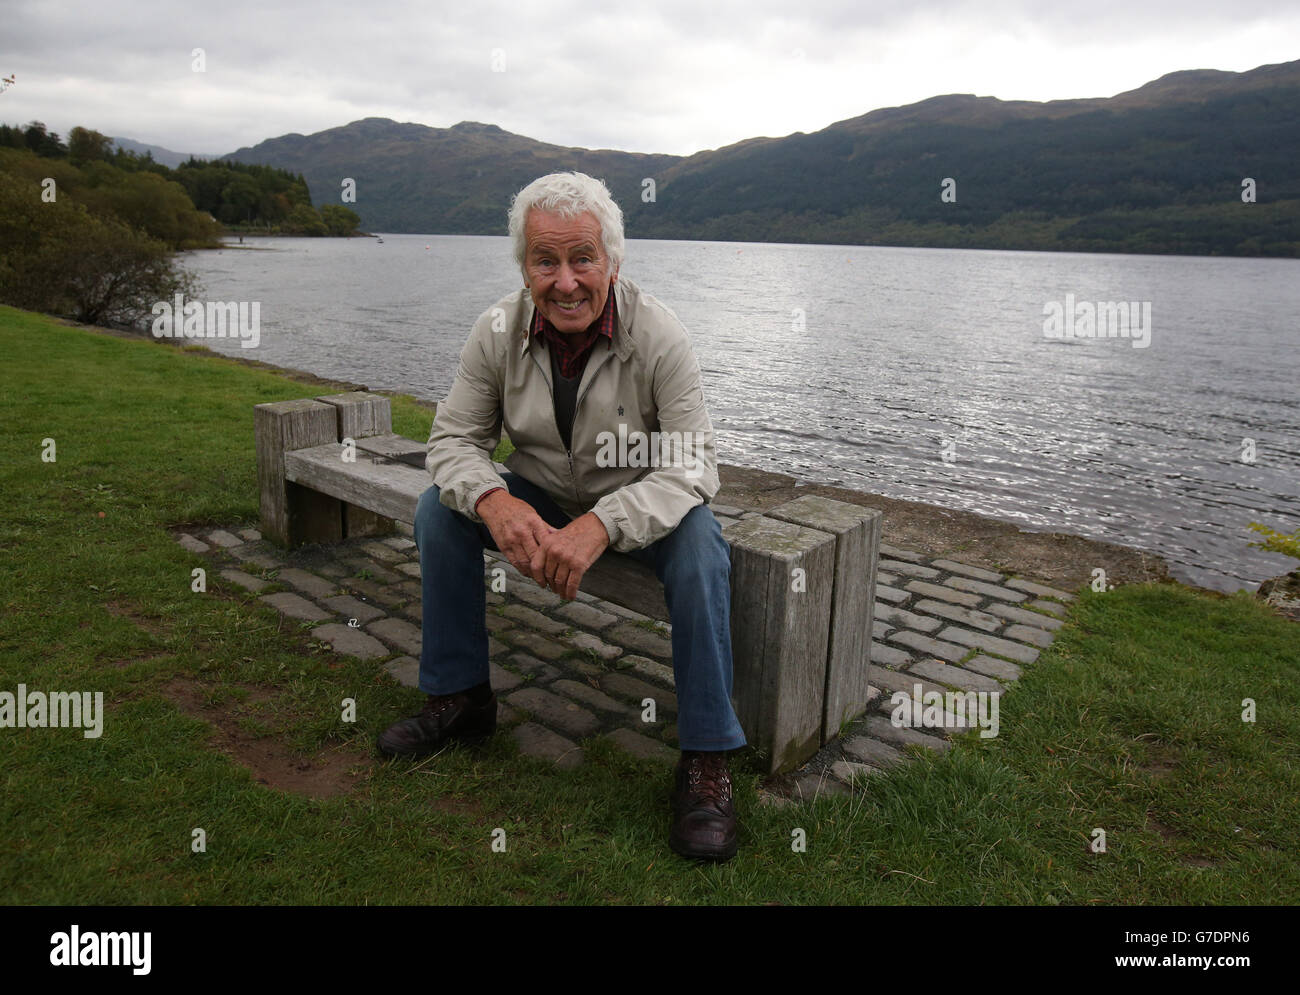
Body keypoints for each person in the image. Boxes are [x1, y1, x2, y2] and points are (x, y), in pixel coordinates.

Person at [376, 171, 746, 861]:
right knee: (439, 511)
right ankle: (461, 698)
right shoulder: (494, 330)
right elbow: (453, 440)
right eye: (546, 261)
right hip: (542, 493)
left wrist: (604, 524)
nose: (566, 280)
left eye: (583, 259)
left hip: (640, 508)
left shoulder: (661, 333)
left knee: (702, 548)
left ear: (612, 260)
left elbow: (694, 466)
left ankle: (706, 759)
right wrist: (495, 499)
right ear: (525, 265)